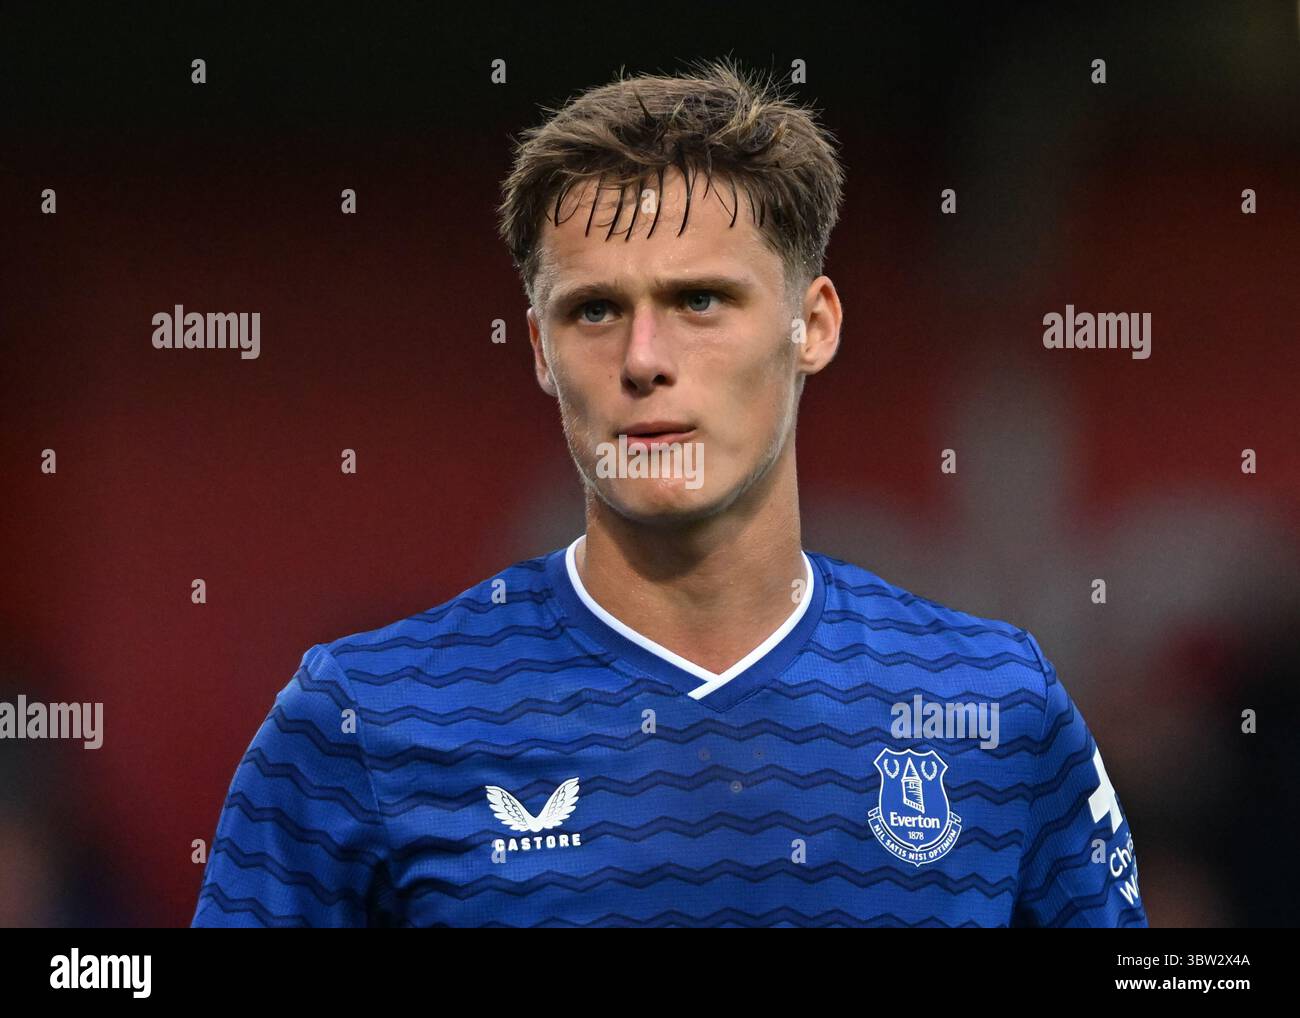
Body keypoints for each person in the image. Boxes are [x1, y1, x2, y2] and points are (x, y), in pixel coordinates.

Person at [192, 57, 1145, 927]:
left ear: (811, 326)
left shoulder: (994, 703)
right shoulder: (365, 717)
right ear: (538, 352)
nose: (644, 360)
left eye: (699, 301)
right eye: (595, 310)